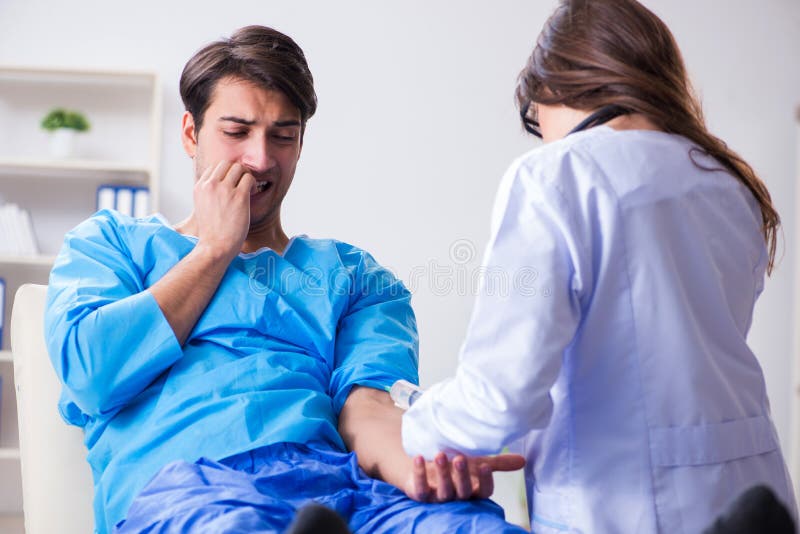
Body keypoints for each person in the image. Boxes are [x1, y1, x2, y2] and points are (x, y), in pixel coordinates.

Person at [45, 26, 525, 534]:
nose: (261, 158)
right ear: (191, 134)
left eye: (283, 134)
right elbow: (92, 374)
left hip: (340, 488)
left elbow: (370, 405)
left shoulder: (355, 276)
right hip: (191, 490)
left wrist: (422, 471)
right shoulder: (111, 243)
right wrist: (213, 250)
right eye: (237, 132)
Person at [401, 0, 797, 532]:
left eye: (534, 121)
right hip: (756, 493)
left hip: (626, 506)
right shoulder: (727, 181)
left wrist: (415, 424)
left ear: (551, 91)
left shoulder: (556, 175)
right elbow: (658, 369)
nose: (542, 137)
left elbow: (499, 397)